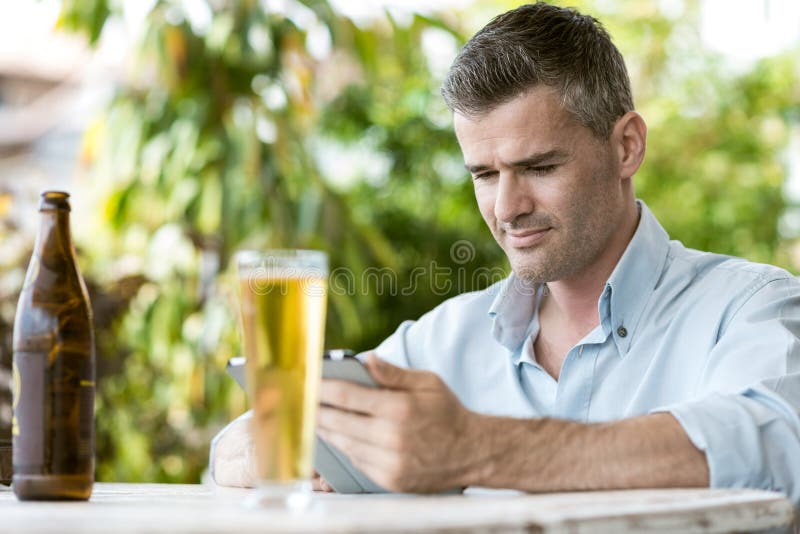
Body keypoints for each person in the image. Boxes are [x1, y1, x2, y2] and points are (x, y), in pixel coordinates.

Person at [210, 2, 800, 505]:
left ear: (626, 147)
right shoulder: (444, 341)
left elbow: (776, 443)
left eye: (539, 167)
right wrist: (277, 449)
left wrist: (474, 450)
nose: (507, 207)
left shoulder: (750, 308)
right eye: (484, 174)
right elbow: (239, 444)